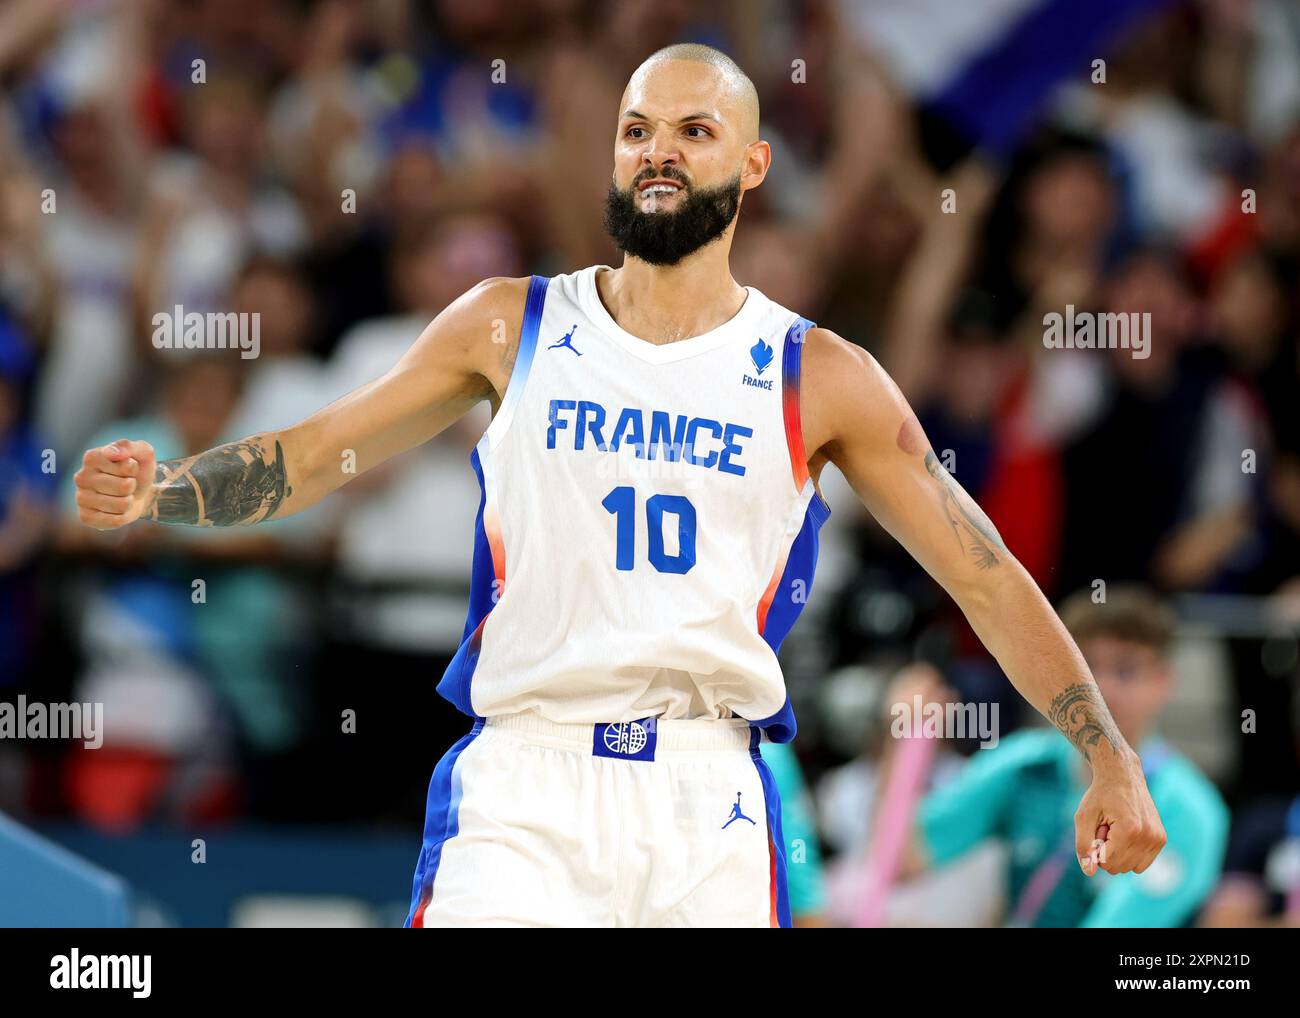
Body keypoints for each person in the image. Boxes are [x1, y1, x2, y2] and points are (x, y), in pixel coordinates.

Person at [72, 44, 1165, 928]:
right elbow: (314, 456)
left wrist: (1105, 752)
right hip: (526, 780)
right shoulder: (512, 323)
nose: (658, 152)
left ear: (752, 166)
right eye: (637, 130)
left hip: (708, 790)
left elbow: (981, 570)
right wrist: (169, 491)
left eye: (694, 132)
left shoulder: (816, 373)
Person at [898, 587, 1228, 926]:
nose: (1102, 688)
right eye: (1084, 669)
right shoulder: (1023, 762)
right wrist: (902, 746)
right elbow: (903, 859)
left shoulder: (1189, 808)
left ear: (1163, 681)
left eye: (1125, 670)